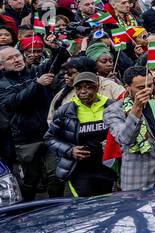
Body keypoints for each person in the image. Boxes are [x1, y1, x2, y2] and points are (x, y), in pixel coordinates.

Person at [0, 43, 63, 200]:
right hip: (26, 138)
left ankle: (58, 209)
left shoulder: (36, 71)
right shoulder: (2, 84)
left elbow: (59, 61)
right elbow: (13, 102)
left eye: (17, 55)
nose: (16, 60)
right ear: (1, 65)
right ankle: (27, 212)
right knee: (30, 180)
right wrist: (37, 84)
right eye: (9, 58)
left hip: (49, 133)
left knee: (55, 176)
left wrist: (56, 48)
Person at [45, 71, 116, 197]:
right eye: (79, 88)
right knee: (86, 207)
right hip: (80, 172)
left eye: (88, 87)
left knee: (109, 206)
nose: (83, 91)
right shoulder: (65, 111)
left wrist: (113, 144)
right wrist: (70, 150)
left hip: (110, 170)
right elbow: (50, 138)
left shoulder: (112, 106)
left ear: (98, 87)